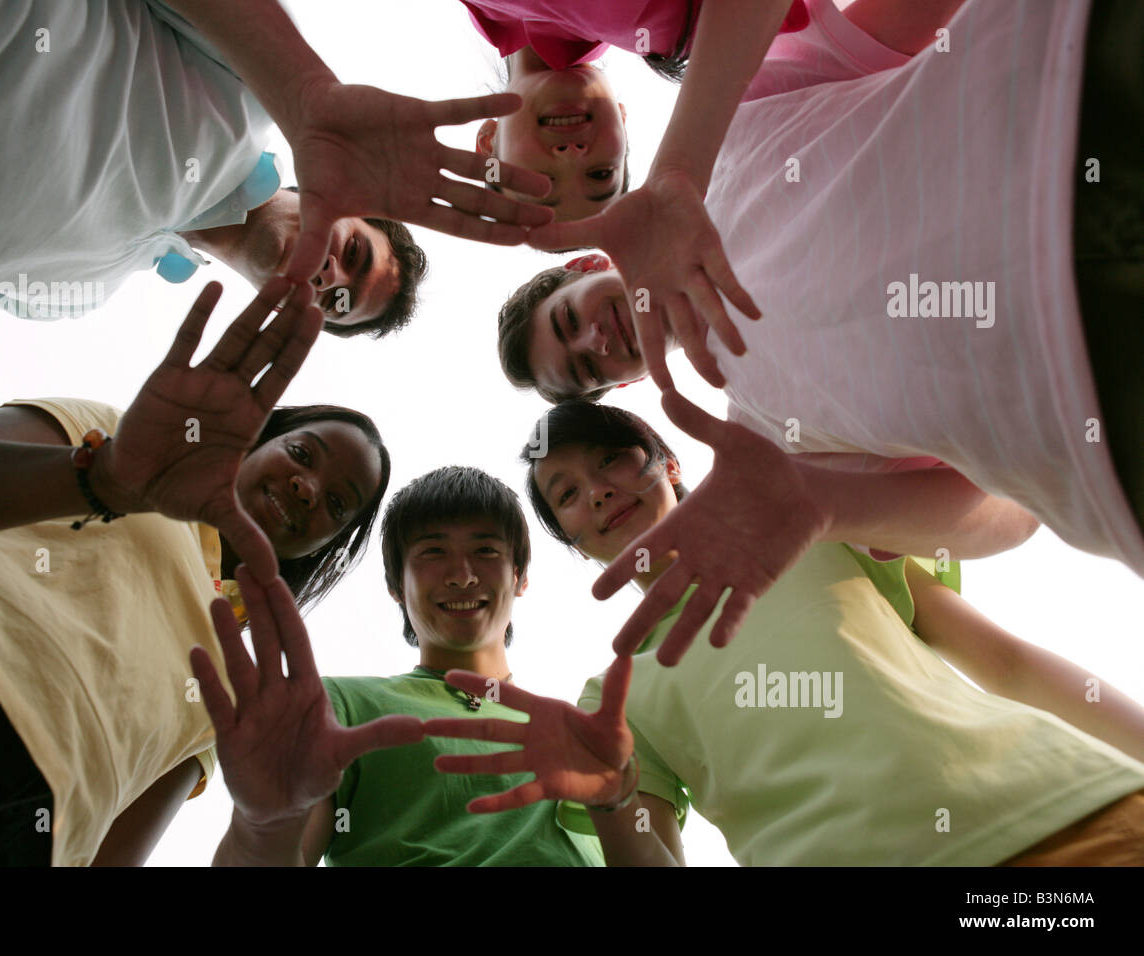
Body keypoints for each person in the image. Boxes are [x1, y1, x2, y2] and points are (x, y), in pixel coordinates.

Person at [496, 0, 1144, 632]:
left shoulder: (730, 122)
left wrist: (679, 171)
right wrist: (825, 504)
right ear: (629, 380)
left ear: (584, 268)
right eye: (587, 367)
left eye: (566, 321)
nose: (593, 338)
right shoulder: (770, 446)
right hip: (1105, 415)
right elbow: (1007, 515)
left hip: (1085, 95)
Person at [424, 401, 1144, 865]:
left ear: (670, 465)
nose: (599, 491)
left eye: (611, 460)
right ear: (576, 545)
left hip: (1069, 810)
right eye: (567, 495)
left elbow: (1006, 662)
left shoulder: (805, 534)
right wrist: (612, 799)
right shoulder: (612, 697)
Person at [0, 276, 391, 865]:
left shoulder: (239, 687)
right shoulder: (110, 441)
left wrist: (270, 827)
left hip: (6, 838)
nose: (308, 489)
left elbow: (113, 858)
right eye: (303, 454)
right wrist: (102, 479)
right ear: (260, 440)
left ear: (326, 544)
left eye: (338, 504)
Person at [0, 0, 544, 332]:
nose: (329, 276)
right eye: (355, 254)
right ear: (345, 199)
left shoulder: (79, 296)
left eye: (334, 302)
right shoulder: (249, 95)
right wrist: (307, 96)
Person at [192, 466, 604, 866]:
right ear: (395, 585)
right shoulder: (337, 706)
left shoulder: (581, 735)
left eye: (485, 551)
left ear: (519, 577)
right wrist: (261, 822)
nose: (462, 576)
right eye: (433, 552)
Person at [464, 0, 819, 386]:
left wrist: (680, 164)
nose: (572, 154)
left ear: (488, 142)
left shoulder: (509, 20)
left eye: (568, 319)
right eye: (599, 174)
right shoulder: (661, 31)